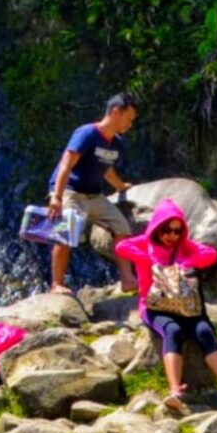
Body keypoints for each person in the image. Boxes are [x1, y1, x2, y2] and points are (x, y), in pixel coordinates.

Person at [115, 199, 217, 412]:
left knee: (205, 332)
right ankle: (175, 391)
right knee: (172, 330)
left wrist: (187, 263)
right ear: (157, 228)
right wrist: (149, 261)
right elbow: (121, 247)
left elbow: (211, 254)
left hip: (187, 305)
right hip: (155, 306)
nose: (172, 236)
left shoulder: (184, 247)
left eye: (177, 231)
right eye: (167, 230)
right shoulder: (145, 243)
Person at [47, 92, 140, 294]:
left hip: (94, 196)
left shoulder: (116, 143)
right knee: (66, 233)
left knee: (122, 227)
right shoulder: (87, 133)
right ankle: (57, 284)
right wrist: (56, 196)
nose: (130, 124)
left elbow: (105, 167)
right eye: (129, 118)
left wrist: (120, 186)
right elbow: (66, 164)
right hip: (71, 192)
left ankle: (128, 280)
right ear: (116, 112)